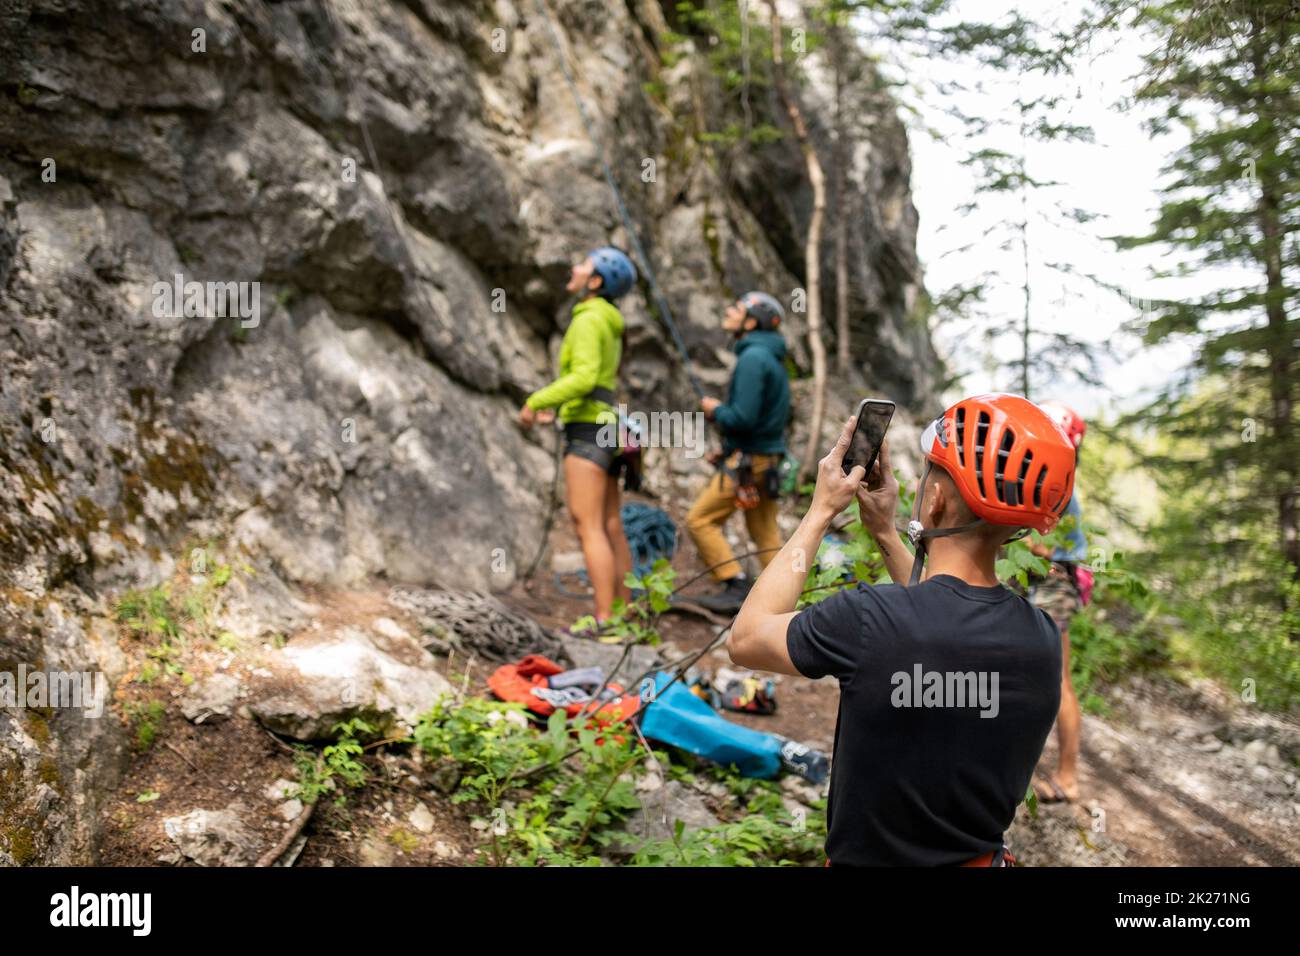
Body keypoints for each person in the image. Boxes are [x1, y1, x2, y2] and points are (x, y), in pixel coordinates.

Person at [728, 393, 1077, 865]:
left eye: (928, 472)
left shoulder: (869, 618)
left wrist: (820, 513)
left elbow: (747, 639)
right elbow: (941, 616)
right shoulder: (1041, 639)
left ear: (934, 498)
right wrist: (886, 532)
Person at [518, 247, 637, 624]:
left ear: (596, 281)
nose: (574, 267)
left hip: (588, 431)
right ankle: (626, 614)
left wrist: (536, 399)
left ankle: (603, 620)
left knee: (588, 526)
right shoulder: (610, 320)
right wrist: (561, 409)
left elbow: (584, 377)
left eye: (583, 264)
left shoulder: (588, 319)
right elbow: (598, 382)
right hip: (608, 427)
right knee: (610, 524)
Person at [685, 291, 791, 614]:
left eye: (737, 308)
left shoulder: (752, 358)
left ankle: (734, 585)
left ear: (751, 320)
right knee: (765, 533)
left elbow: (743, 417)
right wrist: (725, 450)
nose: (729, 311)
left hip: (749, 461)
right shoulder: (770, 357)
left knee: (699, 520)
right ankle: (785, 598)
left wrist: (716, 410)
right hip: (767, 460)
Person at [1029, 401, 1088, 804]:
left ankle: (1068, 777)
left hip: (1054, 582)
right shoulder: (1047, 477)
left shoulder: (1059, 486)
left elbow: (1045, 549)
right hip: (1038, 581)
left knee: (1057, 679)